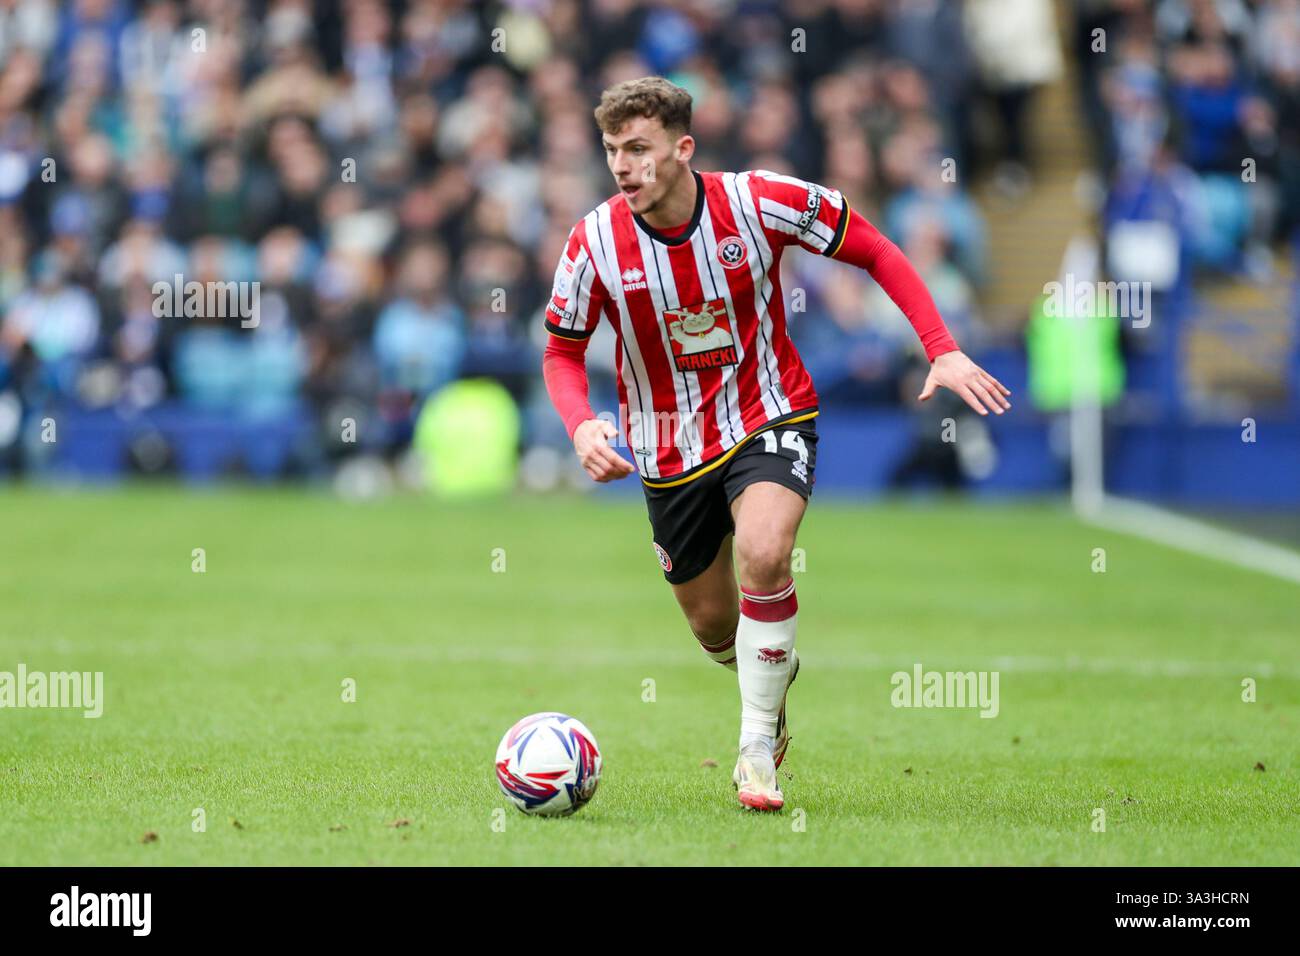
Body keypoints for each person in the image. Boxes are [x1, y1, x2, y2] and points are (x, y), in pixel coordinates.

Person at [541, 77, 1011, 811]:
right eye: (612, 151)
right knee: (710, 623)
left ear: (683, 148)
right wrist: (581, 424)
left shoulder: (759, 201)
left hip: (768, 413)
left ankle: (756, 749)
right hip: (668, 451)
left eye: (639, 148)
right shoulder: (595, 240)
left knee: (765, 550)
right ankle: (772, 674)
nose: (624, 166)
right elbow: (562, 353)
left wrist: (941, 348)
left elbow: (875, 250)